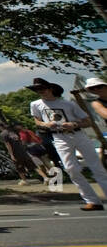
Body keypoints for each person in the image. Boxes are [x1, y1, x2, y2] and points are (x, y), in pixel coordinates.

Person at [28, 77, 107, 211]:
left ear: (51, 88)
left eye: (43, 88)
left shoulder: (68, 104)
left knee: (96, 167)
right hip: (59, 137)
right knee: (71, 169)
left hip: (78, 135)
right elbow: (37, 121)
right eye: (37, 90)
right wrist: (46, 124)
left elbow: (88, 121)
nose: (41, 91)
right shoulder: (35, 104)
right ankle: (92, 200)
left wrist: (74, 124)